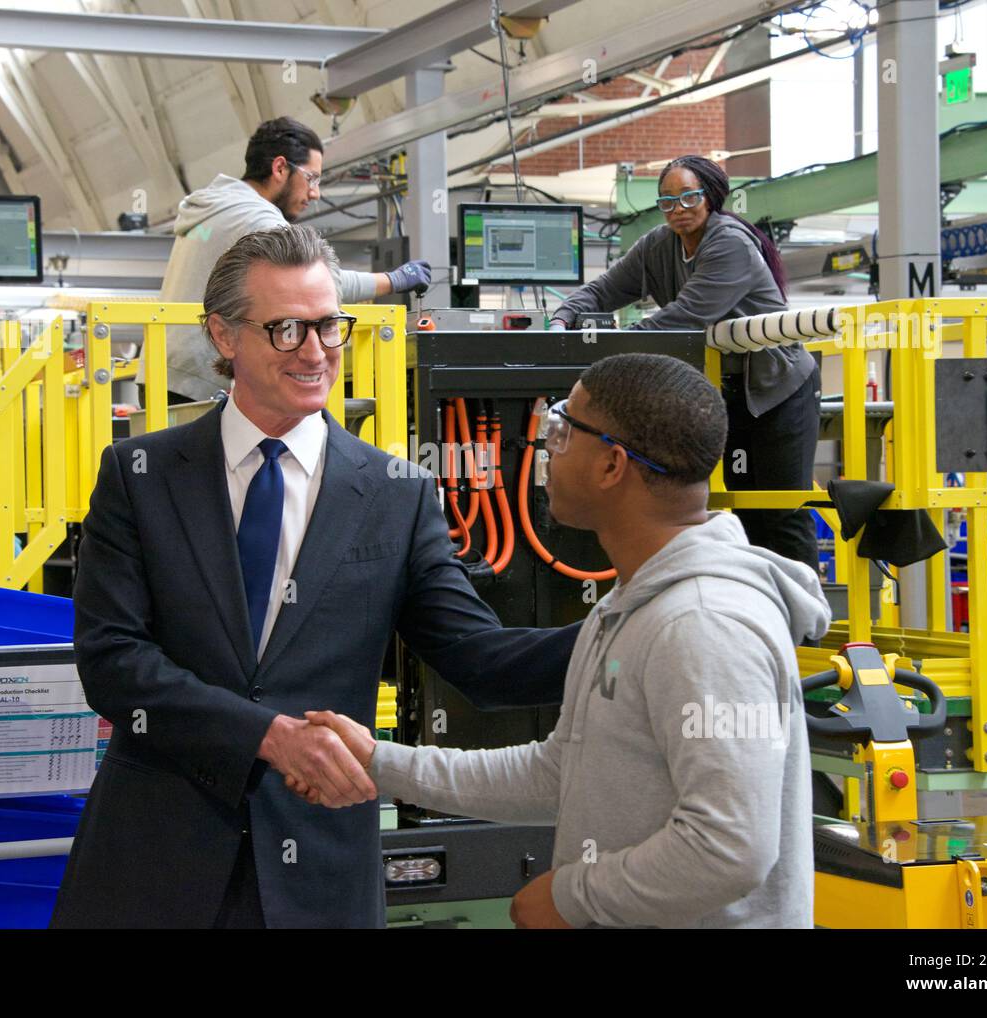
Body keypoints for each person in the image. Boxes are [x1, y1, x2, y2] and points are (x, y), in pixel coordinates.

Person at [52, 225, 577, 929]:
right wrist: (268, 735)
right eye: (286, 329)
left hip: (318, 871)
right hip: (154, 860)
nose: (316, 351)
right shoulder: (141, 477)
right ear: (224, 336)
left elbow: (478, 660)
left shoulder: (396, 492)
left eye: (329, 326)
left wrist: (624, 629)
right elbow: (113, 662)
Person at [290, 353, 831, 929]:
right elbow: (564, 771)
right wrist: (383, 764)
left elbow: (730, 848)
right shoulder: (627, 608)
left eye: (562, 429)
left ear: (611, 464)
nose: (547, 446)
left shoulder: (702, 624)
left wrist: (573, 897)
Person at [549, 155, 821, 572]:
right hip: (726, 391)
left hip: (777, 389)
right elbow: (604, 290)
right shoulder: (659, 244)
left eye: (689, 197)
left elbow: (685, 316)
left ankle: (804, 629)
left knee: (781, 510)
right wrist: (561, 320)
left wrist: (608, 347)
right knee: (744, 510)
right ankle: (762, 610)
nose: (678, 209)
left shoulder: (729, 242)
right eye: (667, 200)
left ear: (710, 197)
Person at [136, 116, 430, 406]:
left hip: (163, 375)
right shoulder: (257, 219)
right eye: (311, 178)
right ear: (279, 168)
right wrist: (395, 280)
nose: (315, 193)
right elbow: (323, 283)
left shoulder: (216, 207)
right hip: (198, 384)